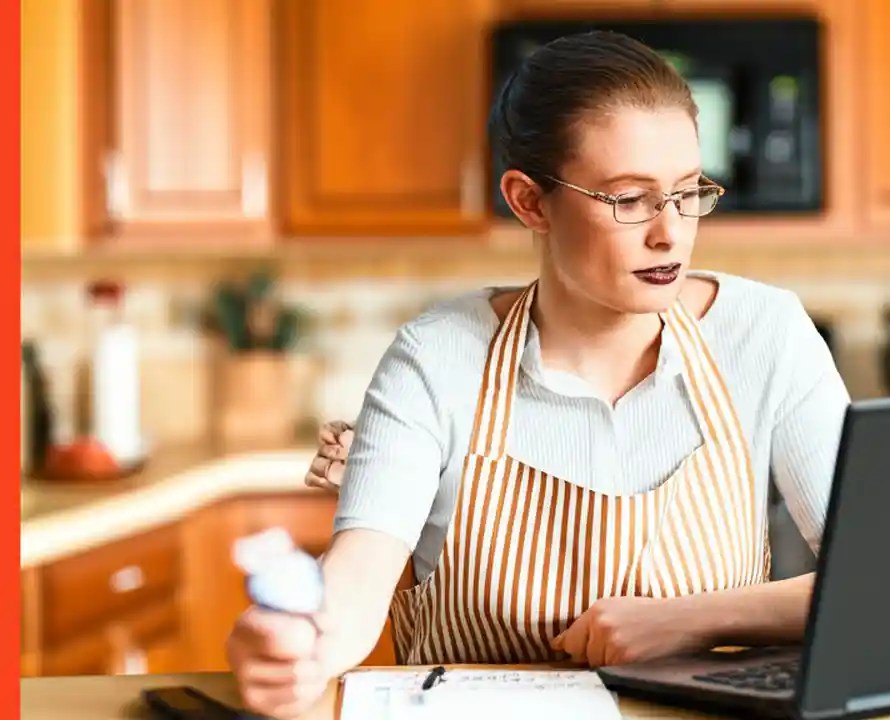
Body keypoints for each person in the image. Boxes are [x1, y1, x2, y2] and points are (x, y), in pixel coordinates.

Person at [225, 30, 849, 718]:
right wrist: (294, 647)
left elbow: (881, 583)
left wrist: (689, 619)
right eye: (629, 199)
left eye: (687, 192)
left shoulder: (766, 335)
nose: (670, 233)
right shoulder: (435, 360)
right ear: (529, 201)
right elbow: (353, 588)